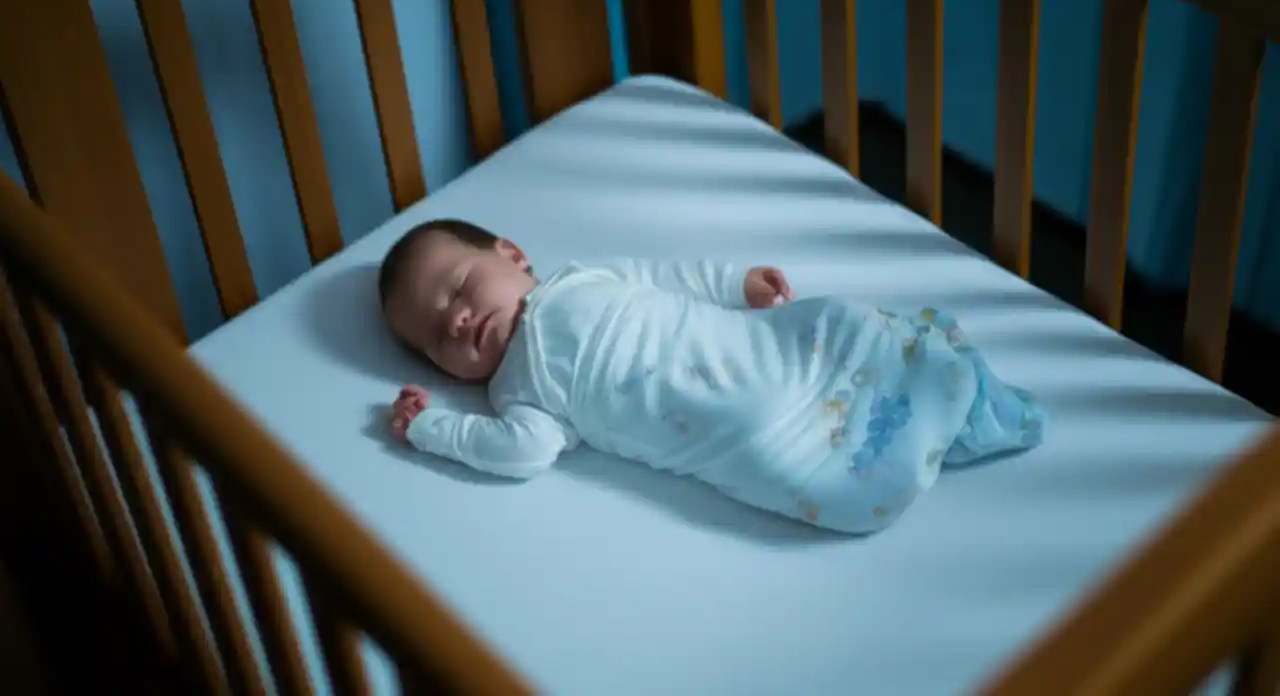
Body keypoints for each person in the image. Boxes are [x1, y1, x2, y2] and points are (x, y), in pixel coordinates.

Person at [378, 218, 1045, 534]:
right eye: (441, 335)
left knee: (838, 325)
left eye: (460, 288)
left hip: (759, 344)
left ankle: (954, 398)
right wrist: (435, 428)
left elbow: (666, 277)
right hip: (735, 426)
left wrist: (735, 283)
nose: (461, 319)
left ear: (514, 254)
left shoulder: (579, 277)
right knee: (778, 458)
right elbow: (524, 452)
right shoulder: (516, 392)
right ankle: (929, 433)